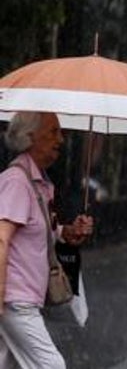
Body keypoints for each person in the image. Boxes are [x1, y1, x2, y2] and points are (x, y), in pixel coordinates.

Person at [0, 112, 94, 368]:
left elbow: (38, 230)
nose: (61, 140)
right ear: (30, 137)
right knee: (52, 365)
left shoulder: (38, 182)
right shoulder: (17, 182)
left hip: (23, 297)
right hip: (14, 299)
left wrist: (68, 232)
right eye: (53, 132)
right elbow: (1, 238)